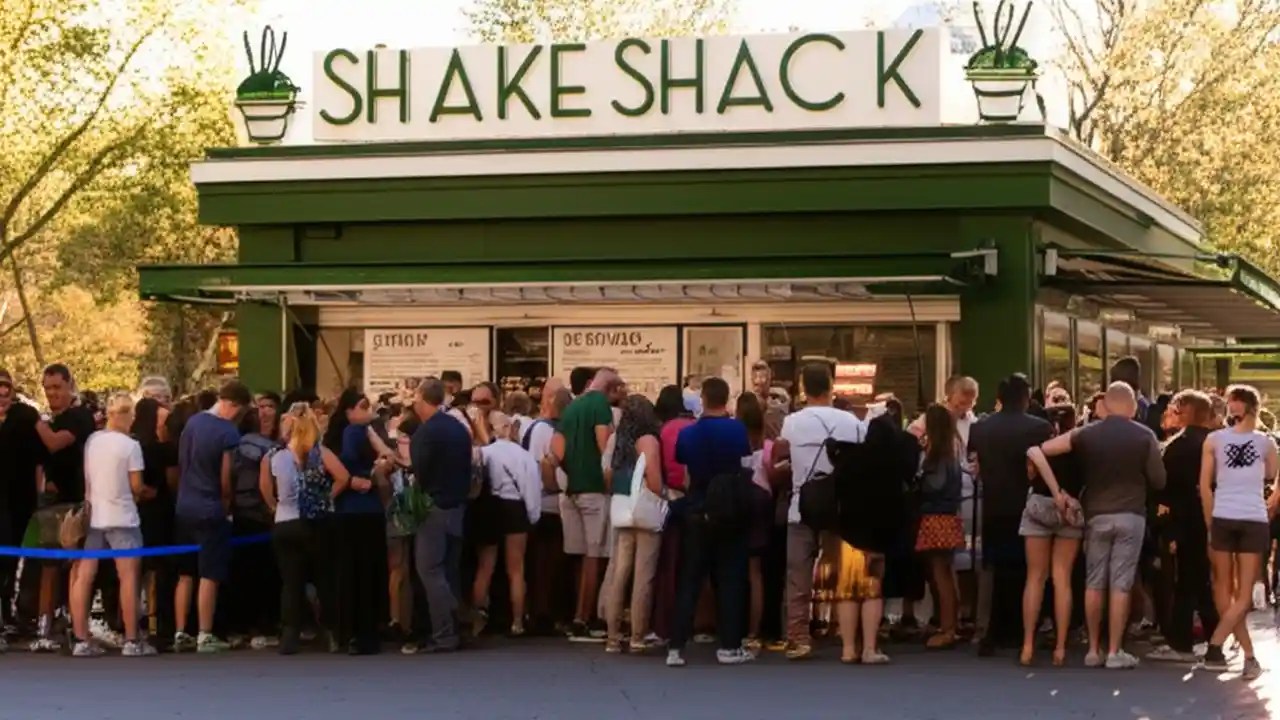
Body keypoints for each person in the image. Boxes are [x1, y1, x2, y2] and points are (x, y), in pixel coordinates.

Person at [1030, 382, 1165, 669]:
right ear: (1130, 406)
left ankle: (1093, 649)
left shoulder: (1085, 433)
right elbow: (1159, 480)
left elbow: (1041, 450)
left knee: (1094, 581)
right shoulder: (1145, 436)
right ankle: (1115, 650)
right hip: (1131, 515)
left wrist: (1057, 491)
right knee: (1121, 583)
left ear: (1106, 405)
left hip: (1096, 515)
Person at [772, 363, 866, 661]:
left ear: (803, 388)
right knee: (841, 571)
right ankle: (842, 628)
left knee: (798, 573)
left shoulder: (792, 423)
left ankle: (798, 637)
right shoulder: (851, 422)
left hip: (803, 505)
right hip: (841, 507)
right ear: (831, 386)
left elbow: (780, 459)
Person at [669, 377, 753, 667]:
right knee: (730, 579)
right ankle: (730, 646)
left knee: (690, 579)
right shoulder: (737, 430)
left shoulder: (689, 434)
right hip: (729, 512)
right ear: (726, 399)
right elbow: (746, 469)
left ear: (702, 398)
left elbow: (686, 475)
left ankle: (676, 647)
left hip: (696, 510)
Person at [1197, 384, 1278, 679]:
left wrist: (1210, 521)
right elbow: (1271, 474)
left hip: (1222, 516)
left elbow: (1205, 487)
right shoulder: (1266, 443)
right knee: (1243, 595)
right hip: (1253, 517)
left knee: (1223, 589)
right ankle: (1222, 648)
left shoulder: (1213, 440)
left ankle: (1232, 650)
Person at [968, 374, 1050, 658]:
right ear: (1027, 397)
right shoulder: (1040, 427)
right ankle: (1023, 629)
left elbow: (975, 462)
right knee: (1030, 570)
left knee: (995, 568)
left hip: (993, 505)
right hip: (1028, 505)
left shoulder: (980, 428)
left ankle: (993, 630)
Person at [70, 393, 155, 657]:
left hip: (95, 515)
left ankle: (81, 638)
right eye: (131, 416)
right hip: (123, 517)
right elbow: (136, 486)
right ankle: (131, 639)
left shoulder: (93, 441)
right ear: (124, 414)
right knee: (128, 577)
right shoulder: (130, 446)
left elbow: (88, 482)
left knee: (85, 576)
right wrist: (149, 493)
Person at [173, 380, 251, 653]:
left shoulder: (192, 423)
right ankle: (206, 632)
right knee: (210, 573)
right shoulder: (227, 432)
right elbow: (226, 476)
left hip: (185, 505)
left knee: (185, 573)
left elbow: (182, 462)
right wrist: (227, 506)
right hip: (210, 508)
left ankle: (181, 630)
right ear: (233, 405)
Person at [264, 406, 349, 655]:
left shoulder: (275, 456)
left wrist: (274, 507)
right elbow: (343, 476)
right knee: (325, 579)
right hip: (317, 521)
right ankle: (332, 633)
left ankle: (290, 636)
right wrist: (327, 497)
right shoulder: (320, 452)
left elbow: (265, 487)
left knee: (291, 582)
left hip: (285, 521)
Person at [552, 368, 625, 641]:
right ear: (611, 388)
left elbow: (556, 449)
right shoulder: (600, 407)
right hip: (595, 490)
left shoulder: (570, 408)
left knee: (578, 555)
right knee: (594, 556)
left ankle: (575, 616)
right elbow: (604, 447)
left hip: (571, 490)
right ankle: (586, 618)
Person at [1147, 390, 1219, 663]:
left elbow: (1164, 489)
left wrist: (1166, 526)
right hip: (1211, 520)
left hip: (1183, 524)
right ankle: (1215, 637)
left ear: (1187, 411)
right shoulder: (1214, 443)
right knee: (1202, 583)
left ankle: (1182, 643)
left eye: (1178, 406)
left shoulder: (1178, 447)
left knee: (1186, 583)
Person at [30, 363, 96, 653]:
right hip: (50, 504)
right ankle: (44, 627)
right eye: (47, 389)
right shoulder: (52, 420)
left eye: (57, 387)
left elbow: (56, 444)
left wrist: (37, 423)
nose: (52, 393)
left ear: (70, 385)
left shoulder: (79, 417)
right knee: (48, 566)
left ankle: (76, 626)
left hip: (76, 503)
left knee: (76, 566)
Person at [408, 378, 473, 653]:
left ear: (423, 398)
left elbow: (420, 472)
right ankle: (460, 626)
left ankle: (446, 631)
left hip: (434, 506)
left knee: (430, 570)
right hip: (458, 506)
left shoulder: (426, 433)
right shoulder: (458, 429)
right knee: (449, 570)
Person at [325, 389, 391, 655]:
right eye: (362, 406)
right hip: (365, 511)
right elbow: (361, 458)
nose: (368, 410)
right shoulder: (355, 433)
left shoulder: (341, 435)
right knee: (368, 574)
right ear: (349, 410)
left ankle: (347, 631)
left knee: (348, 574)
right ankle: (365, 632)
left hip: (346, 511)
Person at [1019, 404, 1083, 666]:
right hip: (1069, 513)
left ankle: (1028, 644)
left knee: (1035, 578)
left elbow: (1030, 469)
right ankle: (1060, 647)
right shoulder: (1081, 449)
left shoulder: (1041, 448)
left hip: (1039, 509)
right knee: (1062, 579)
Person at [603, 394, 664, 653]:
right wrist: (661, 494)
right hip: (644, 510)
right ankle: (638, 635)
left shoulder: (616, 439)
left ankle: (613, 636)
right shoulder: (648, 440)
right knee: (643, 576)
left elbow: (607, 473)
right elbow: (654, 479)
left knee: (619, 573)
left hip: (621, 506)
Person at [472, 411, 541, 637]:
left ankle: (477, 620)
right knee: (516, 569)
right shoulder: (523, 456)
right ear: (510, 428)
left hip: (489, 508)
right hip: (515, 508)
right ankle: (518, 621)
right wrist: (532, 516)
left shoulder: (483, 453)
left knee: (484, 568)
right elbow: (531, 490)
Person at [131, 397, 182, 652]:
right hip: (160, 512)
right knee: (162, 570)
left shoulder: (131, 444)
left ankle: (129, 624)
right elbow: (173, 482)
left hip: (136, 511)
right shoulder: (163, 449)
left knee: (134, 571)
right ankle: (160, 626)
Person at [915, 404, 966, 651]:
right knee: (947, 572)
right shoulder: (952, 452)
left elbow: (933, 485)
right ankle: (951, 625)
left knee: (940, 574)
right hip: (948, 516)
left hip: (935, 516)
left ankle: (947, 628)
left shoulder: (937, 456)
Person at [522, 380, 571, 635]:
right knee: (548, 565)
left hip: (540, 505)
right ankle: (543, 614)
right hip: (548, 505)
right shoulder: (548, 430)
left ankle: (541, 612)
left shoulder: (540, 428)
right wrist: (557, 488)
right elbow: (543, 466)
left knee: (542, 565)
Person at [652, 384, 695, 643]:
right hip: (694, 495)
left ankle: (665, 623)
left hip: (670, 496)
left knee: (669, 564)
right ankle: (697, 623)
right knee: (692, 564)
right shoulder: (692, 426)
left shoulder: (663, 430)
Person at [0, 373, 40, 645]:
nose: (2, 399)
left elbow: (38, 458)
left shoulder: (24, 419)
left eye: (6, 393)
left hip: (19, 499)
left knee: (11, 558)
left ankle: (9, 611)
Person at [736, 391, 775, 653]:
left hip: (737, 503)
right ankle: (754, 630)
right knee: (756, 572)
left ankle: (732, 626)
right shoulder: (768, 445)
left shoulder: (733, 441)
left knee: (732, 570)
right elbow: (773, 476)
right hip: (762, 505)